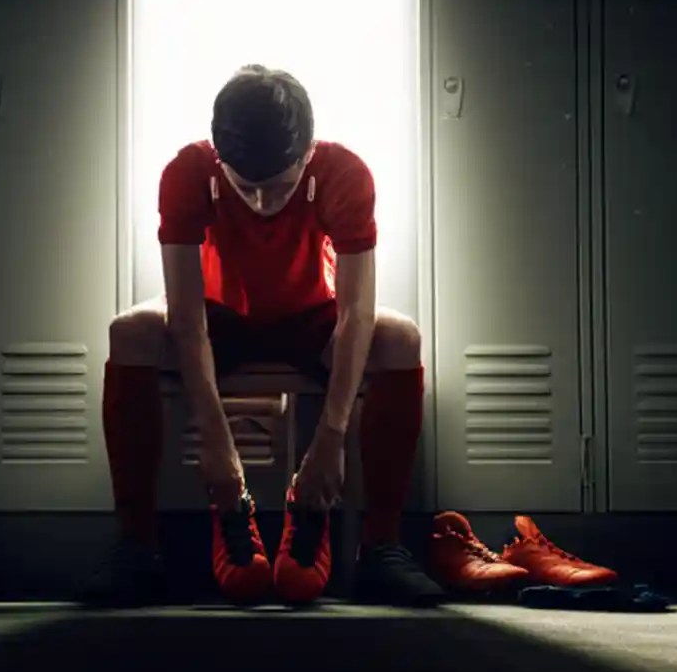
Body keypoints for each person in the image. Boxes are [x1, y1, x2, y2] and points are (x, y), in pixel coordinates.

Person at [83, 64, 443, 607]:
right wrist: (215, 439)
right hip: (220, 317)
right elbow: (186, 316)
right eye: (243, 187)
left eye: (277, 188)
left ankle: (381, 548)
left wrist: (330, 438)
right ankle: (136, 548)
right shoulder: (186, 171)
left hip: (309, 317)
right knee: (128, 332)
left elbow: (355, 314)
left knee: (402, 339)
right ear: (218, 157)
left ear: (308, 154)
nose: (259, 203)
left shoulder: (345, 173)